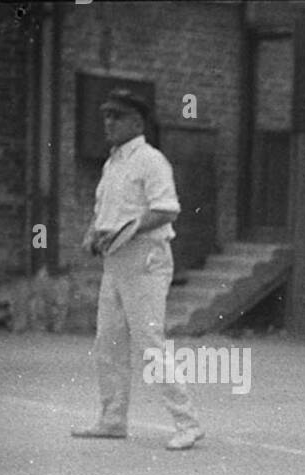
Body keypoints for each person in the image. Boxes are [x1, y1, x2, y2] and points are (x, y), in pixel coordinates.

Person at [72, 88, 205, 450]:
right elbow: (104, 211)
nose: (108, 123)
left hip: (146, 259)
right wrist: (92, 235)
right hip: (115, 262)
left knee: (150, 343)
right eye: (106, 116)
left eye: (116, 116)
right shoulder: (113, 162)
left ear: (137, 122)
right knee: (109, 342)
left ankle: (187, 423)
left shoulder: (151, 160)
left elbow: (167, 209)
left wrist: (123, 232)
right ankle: (112, 419)